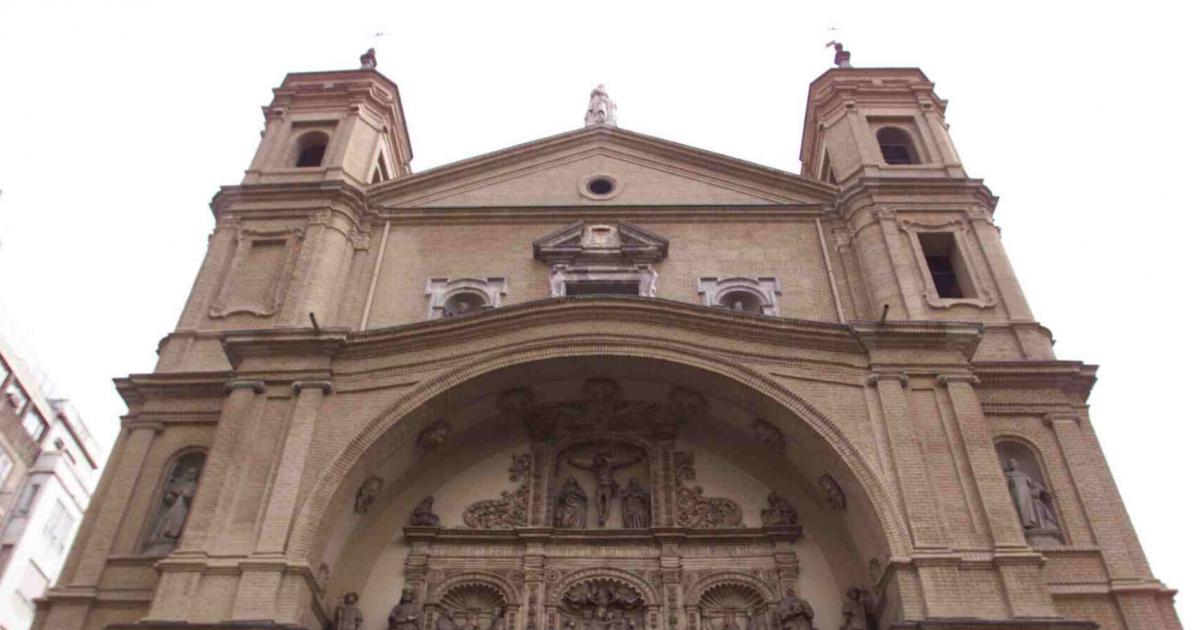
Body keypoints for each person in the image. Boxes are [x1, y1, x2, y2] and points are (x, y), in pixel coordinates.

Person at [567, 452, 641, 527]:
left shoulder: (610, 465)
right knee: (598, 500)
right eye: (595, 462)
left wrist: (634, 460)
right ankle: (600, 516)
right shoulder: (595, 467)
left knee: (607, 500)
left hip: (608, 485)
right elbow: (583, 464)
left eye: (597, 461)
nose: (596, 463)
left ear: (602, 460)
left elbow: (623, 463)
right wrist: (572, 461)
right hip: (600, 486)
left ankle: (604, 517)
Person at [146, 465, 200, 553]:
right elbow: (171, 499)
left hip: (183, 508)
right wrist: (169, 495)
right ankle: (163, 536)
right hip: (176, 505)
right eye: (189, 472)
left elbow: (191, 496)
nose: (191, 474)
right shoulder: (182, 483)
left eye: (193, 473)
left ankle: (171, 536)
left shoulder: (194, 484)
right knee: (167, 519)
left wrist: (186, 495)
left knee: (177, 521)